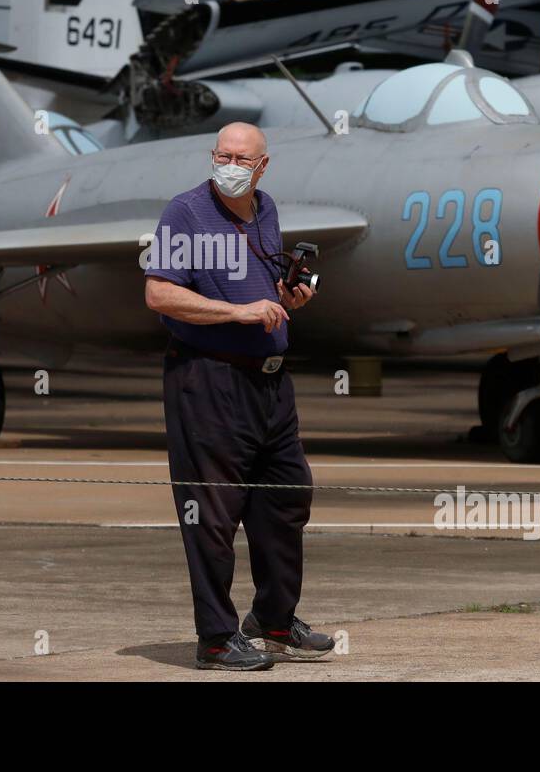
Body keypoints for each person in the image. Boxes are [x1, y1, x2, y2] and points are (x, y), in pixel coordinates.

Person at [144, 121, 334, 671]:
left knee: (286, 497)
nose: (229, 165)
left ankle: (274, 618)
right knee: (213, 510)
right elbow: (159, 291)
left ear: (262, 166)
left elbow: (258, 285)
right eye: (221, 155)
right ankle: (216, 638)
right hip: (209, 378)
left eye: (240, 158)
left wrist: (284, 298)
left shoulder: (266, 210)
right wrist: (237, 313)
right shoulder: (185, 213)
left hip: (270, 381)